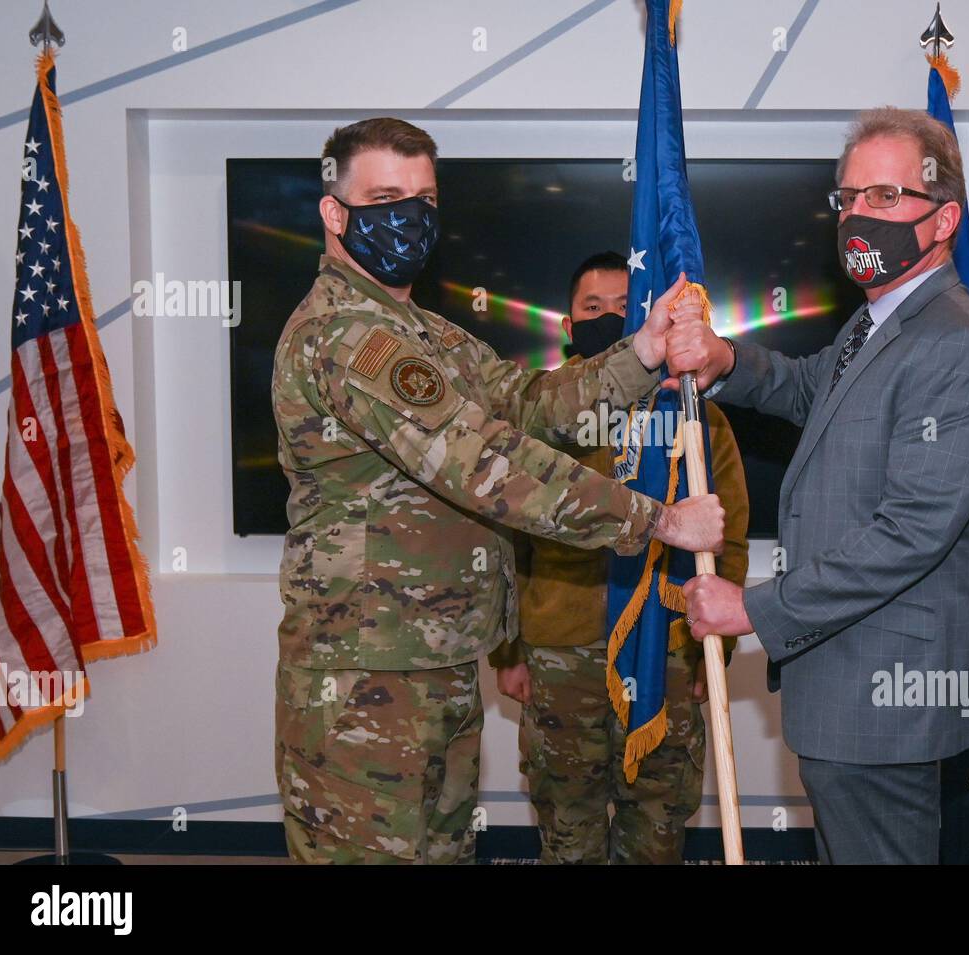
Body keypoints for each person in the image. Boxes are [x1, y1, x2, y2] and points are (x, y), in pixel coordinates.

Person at [271, 118, 726, 864]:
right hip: (363, 681)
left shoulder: (428, 335)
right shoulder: (349, 337)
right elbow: (487, 465)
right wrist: (658, 519)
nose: (409, 215)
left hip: (435, 665)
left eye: (423, 197)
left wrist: (640, 353)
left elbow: (531, 408)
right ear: (333, 212)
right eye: (385, 196)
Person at [671, 107, 969, 864]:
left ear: (943, 217)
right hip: (849, 683)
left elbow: (910, 535)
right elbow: (805, 389)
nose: (860, 214)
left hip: (886, 693)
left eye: (885, 197)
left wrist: (752, 607)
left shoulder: (957, 345)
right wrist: (728, 361)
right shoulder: (879, 324)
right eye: (851, 197)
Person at [490, 251, 750, 864]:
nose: (607, 316)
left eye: (621, 307)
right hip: (560, 652)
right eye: (591, 307)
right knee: (568, 825)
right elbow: (504, 539)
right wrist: (507, 651)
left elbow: (728, 537)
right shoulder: (538, 420)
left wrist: (715, 649)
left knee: (657, 826)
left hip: (665, 649)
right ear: (566, 323)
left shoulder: (696, 419)